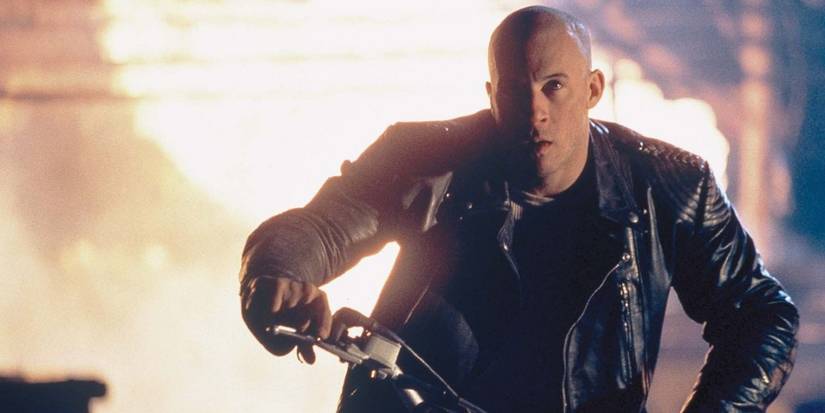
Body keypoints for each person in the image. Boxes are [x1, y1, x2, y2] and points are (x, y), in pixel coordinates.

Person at [239, 6, 798, 412]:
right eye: (514, 91)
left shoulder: (667, 185)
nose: (535, 112)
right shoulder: (423, 160)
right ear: (491, 95)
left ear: (592, 89)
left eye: (554, 86)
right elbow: (319, 228)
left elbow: (762, 314)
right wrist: (275, 275)